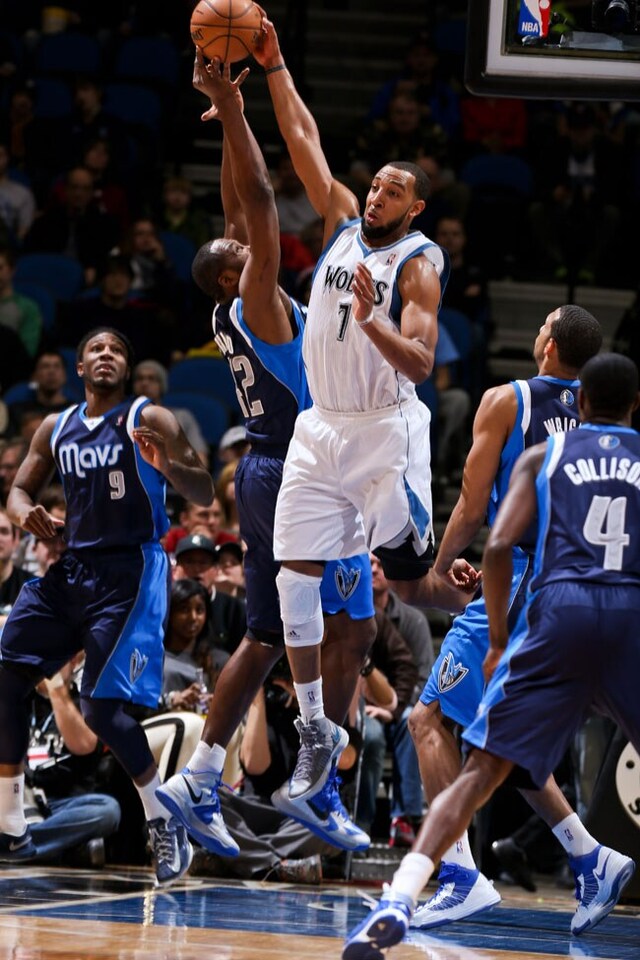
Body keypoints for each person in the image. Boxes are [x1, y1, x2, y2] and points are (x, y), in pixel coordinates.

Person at [342, 352, 639, 957]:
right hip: (626, 614)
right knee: (498, 745)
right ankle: (590, 858)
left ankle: (417, 888)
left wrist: (496, 633)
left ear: (581, 403)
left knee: (456, 739)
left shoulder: (537, 440)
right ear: (634, 406)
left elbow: (494, 537)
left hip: (553, 602)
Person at [253, 16, 478, 809]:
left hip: (385, 431)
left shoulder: (418, 264)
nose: (377, 193)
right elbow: (305, 138)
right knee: (293, 575)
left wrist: (373, 316)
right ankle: (318, 727)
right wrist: (275, 65)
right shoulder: (343, 222)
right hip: (321, 426)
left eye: (394, 189)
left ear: (416, 208)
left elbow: (421, 362)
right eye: (376, 183)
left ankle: (502, 603)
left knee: (415, 591)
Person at [156, 53, 376, 859]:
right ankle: (313, 781)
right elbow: (251, 204)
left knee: (287, 632)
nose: (250, 242)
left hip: (283, 465)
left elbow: (234, 198)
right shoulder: (257, 301)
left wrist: (227, 115)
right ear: (230, 272)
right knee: (324, 628)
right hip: (296, 468)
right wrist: (238, 108)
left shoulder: (243, 303)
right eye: (240, 249)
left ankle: (207, 775)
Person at [407, 304, 610, 929]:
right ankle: (590, 857)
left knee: (429, 718)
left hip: (526, 573)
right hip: (588, 587)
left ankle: (461, 875)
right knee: (503, 736)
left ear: (547, 346)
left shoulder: (506, 400)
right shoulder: (607, 412)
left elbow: (471, 505)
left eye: (543, 324)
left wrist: (440, 567)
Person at [0, 326, 214, 886]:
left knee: (100, 710)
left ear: (126, 367)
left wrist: (167, 465)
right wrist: (26, 514)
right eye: (96, 349)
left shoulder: (151, 418)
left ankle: (163, 819)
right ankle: (9, 822)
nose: (106, 355)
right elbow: (18, 491)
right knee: (9, 667)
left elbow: (205, 491)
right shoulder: (57, 427)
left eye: (117, 349)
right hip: (74, 569)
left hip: (131, 573)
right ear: (79, 367)